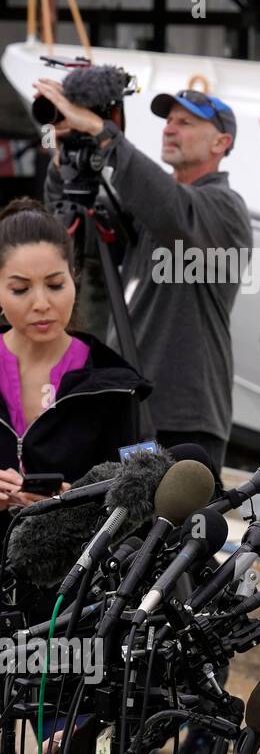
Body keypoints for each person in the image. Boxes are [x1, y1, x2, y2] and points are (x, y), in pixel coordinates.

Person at [36, 78, 251, 473]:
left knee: (182, 530)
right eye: (169, 120)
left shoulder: (224, 209)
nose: (170, 128)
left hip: (185, 418)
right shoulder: (152, 208)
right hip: (135, 409)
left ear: (220, 143)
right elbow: (70, 231)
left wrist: (106, 135)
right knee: (132, 528)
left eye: (186, 123)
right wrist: (63, 156)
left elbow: (173, 211)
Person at [0, 197, 151, 556]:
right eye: (20, 289)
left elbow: (140, 502)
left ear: (75, 279)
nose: (41, 303)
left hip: (72, 594)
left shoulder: (114, 385)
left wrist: (79, 503)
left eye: (54, 285)